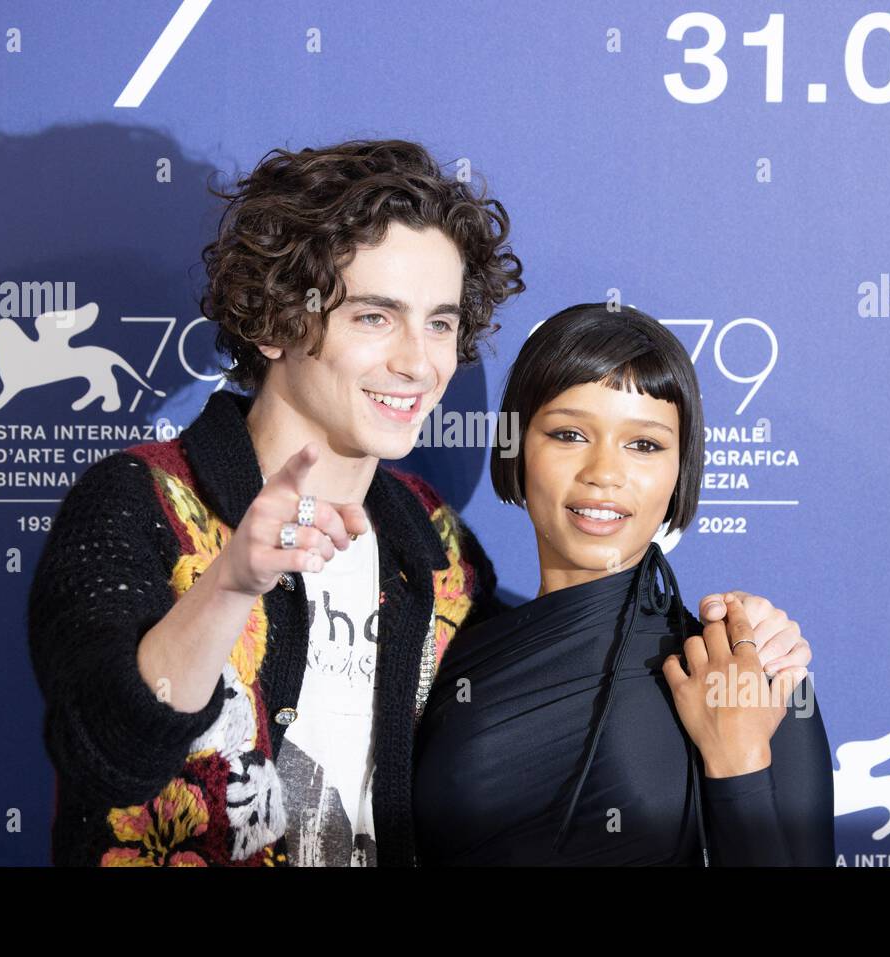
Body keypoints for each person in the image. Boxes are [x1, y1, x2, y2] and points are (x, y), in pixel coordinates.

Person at [27, 138, 522, 866]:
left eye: (441, 322)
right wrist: (228, 583)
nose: (420, 362)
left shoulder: (436, 538)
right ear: (272, 322)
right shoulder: (140, 502)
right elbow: (108, 755)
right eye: (375, 317)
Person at [412, 303, 835, 866]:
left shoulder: (745, 668)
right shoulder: (446, 646)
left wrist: (738, 762)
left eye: (644, 445)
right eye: (568, 434)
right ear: (516, 448)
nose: (604, 473)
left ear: (681, 469)